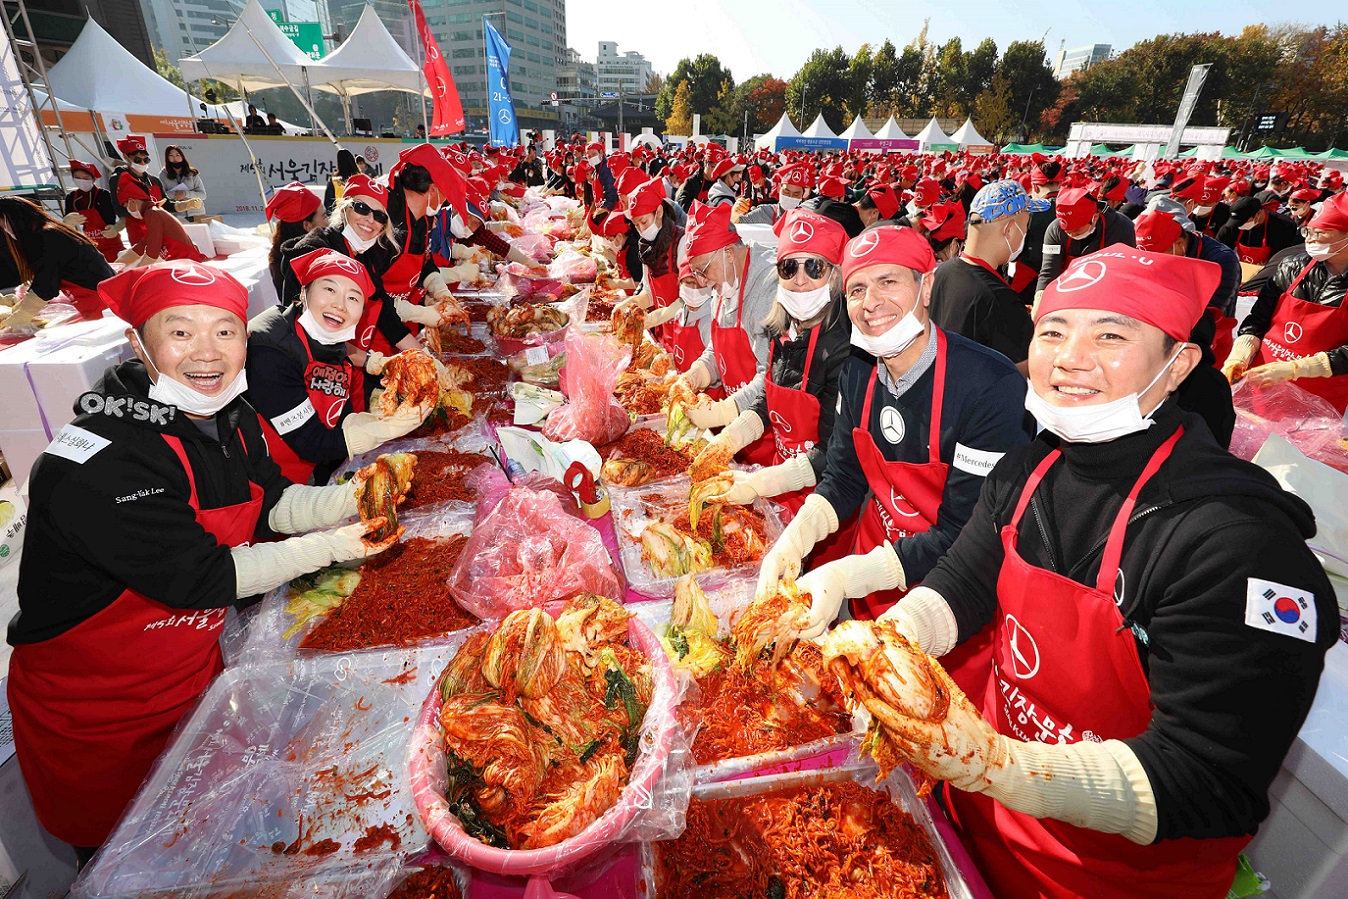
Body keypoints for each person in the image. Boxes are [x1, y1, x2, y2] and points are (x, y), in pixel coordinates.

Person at [843, 247, 1335, 899]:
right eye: (1053, 331)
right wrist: (885, 642)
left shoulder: (1237, 543)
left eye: (1111, 334)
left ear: (1179, 362)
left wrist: (999, 764)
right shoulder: (1028, 471)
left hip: (1108, 876)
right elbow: (960, 586)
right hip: (976, 833)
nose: (1070, 357)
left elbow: (1208, 777)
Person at [6, 262, 402, 862]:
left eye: (225, 330)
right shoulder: (97, 462)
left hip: (196, 680)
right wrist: (336, 545)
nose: (207, 352)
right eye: (181, 331)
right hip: (99, 718)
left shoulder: (230, 417)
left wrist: (351, 499)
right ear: (137, 341)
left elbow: (274, 504)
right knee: (136, 865)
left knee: (220, 847)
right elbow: (206, 576)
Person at [754, 224, 1027, 701]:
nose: (871, 301)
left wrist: (846, 574)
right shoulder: (860, 371)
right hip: (869, 585)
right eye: (858, 288)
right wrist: (794, 538)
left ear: (927, 287)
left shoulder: (988, 386)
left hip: (944, 611)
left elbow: (965, 537)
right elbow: (842, 476)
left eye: (889, 282)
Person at [691, 209, 858, 536]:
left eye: (814, 267)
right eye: (788, 267)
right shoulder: (784, 322)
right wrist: (730, 437)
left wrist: (762, 482)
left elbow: (834, 453)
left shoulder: (848, 349)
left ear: (836, 275)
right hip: (781, 488)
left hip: (821, 508)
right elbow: (769, 394)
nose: (799, 279)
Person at [250, 248, 431, 484]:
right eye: (329, 289)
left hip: (302, 479)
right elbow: (311, 442)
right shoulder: (271, 348)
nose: (340, 305)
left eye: (353, 297)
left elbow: (338, 417)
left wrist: (379, 415)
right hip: (262, 490)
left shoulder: (331, 341)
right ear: (304, 291)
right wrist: (388, 428)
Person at [670, 201, 780, 464]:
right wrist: (696, 375)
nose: (703, 282)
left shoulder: (767, 286)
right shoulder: (726, 280)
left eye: (704, 271)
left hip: (766, 435)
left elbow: (771, 377)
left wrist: (721, 413)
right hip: (738, 436)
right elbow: (717, 349)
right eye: (695, 273)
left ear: (728, 253)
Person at [1222, 193, 1348, 412]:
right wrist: (1239, 354)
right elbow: (1258, 319)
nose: (1309, 239)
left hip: (1318, 397)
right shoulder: (1291, 266)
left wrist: (1296, 368)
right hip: (1263, 380)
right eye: (1308, 230)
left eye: (1319, 233)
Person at [280, 173, 417, 367]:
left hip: (346, 368)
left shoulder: (363, 255)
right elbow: (310, 330)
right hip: (308, 368)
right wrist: (378, 363)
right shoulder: (314, 251)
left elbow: (386, 312)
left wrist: (422, 355)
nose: (370, 219)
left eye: (379, 216)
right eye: (361, 208)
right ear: (344, 208)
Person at [1135, 205, 1239, 447]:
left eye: (1159, 255)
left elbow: (1212, 312)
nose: (1152, 263)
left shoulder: (1221, 260)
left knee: (1202, 401)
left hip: (1208, 333)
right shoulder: (1148, 252)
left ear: (1179, 244)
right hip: (1161, 334)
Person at [929, 180, 1048, 376]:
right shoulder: (999, 298)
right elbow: (1026, 366)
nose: (1026, 232)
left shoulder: (943, 271)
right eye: (1025, 225)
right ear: (1009, 230)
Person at [373, 144, 471, 356]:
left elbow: (424, 260)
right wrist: (418, 314)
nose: (445, 203)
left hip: (401, 323)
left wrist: (439, 289)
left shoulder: (422, 218)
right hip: (375, 333)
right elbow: (371, 296)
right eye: (446, 195)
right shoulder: (387, 221)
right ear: (433, 190)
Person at [0, 195, 114, 322]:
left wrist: (22, 315)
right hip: (98, 299)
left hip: (102, 301)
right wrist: (19, 308)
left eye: (4, 225)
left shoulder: (45, 237)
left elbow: (46, 285)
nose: (6, 230)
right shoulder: (48, 232)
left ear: (13, 219)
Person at [1036, 186, 1136, 297]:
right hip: (1068, 292)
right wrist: (1041, 296)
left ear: (1095, 218)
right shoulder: (1055, 230)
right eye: (1067, 231)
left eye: (1077, 230)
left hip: (1109, 291)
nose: (1072, 234)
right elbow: (1049, 271)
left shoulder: (1122, 228)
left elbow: (1126, 274)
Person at [623, 176, 687, 349]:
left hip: (686, 332)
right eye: (636, 225)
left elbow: (690, 299)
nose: (642, 230)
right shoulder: (647, 247)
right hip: (664, 335)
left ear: (659, 212)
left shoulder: (681, 243)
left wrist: (655, 317)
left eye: (644, 222)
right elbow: (650, 294)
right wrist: (628, 304)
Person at [116, 176, 206, 266]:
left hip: (187, 265)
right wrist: (115, 266)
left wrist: (134, 274)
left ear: (132, 202)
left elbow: (152, 255)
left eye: (125, 206)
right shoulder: (154, 211)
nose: (127, 209)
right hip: (183, 263)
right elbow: (141, 247)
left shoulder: (152, 214)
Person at [265, 181, 328, 295]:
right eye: (324, 216)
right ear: (307, 226)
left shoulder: (277, 256)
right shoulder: (309, 263)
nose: (329, 222)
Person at [63, 159, 125, 263]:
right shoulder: (71, 197)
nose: (82, 181)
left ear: (93, 179)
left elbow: (124, 216)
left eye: (86, 178)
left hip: (112, 246)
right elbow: (66, 226)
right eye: (77, 178)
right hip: (92, 247)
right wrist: (66, 222)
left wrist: (116, 228)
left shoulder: (105, 195)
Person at [1217, 192, 1302, 265]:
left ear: (1258, 214)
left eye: (1243, 222)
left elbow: (1280, 259)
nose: (1239, 226)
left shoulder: (1283, 226)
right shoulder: (1232, 226)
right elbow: (1219, 248)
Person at [735, 162, 813, 225]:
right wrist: (734, 213)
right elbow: (737, 224)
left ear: (803, 195)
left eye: (796, 194)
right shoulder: (764, 213)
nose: (790, 197)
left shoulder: (808, 219)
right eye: (786, 191)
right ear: (779, 188)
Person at [158, 145, 207, 219]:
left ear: (182, 156)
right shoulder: (163, 175)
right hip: (176, 215)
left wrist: (185, 194)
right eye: (171, 155)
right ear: (167, 158)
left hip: (196, 213)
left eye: (177, 155)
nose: (175, 158)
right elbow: (161, 196)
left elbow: (202, 195)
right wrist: (175, 195)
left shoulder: (192, 173)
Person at [324, 148, 360, 213]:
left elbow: (328, 202)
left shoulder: (334, 180)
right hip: (358, 213)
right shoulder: (360, 177)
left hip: (339, 214)